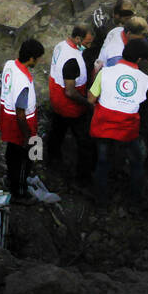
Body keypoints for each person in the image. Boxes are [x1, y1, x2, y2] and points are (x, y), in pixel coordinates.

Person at [89, 38, 148, 209]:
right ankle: (134, 201)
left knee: (102, 162)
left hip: (103, 127)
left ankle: (100, 201)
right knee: (137, 162)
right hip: (127, 131)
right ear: (139, 60)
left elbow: (91, 98)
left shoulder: (105, 73)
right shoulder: (144, 80)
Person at [46, 26, 95, 182]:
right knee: (84, 142)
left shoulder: (61, 45)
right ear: (77, 39)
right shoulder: (72, 60)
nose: (89, 46)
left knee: (57, 130)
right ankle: (82, 178)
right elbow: (70, 91)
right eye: (87, 42)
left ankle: (52, 158)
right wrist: (87, 103)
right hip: (70, 107)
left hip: (56, 99)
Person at [0, 39, 44, 202]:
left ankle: (10, 178)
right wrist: (27, 136)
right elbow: (20, 113)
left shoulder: (10, 64)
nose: (38, 61)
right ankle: (19, 191)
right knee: (24, 159)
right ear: (31, 58)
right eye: (38, 58)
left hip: (8, 119)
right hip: (22, 125)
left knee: (12, 153)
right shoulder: (23, 81)